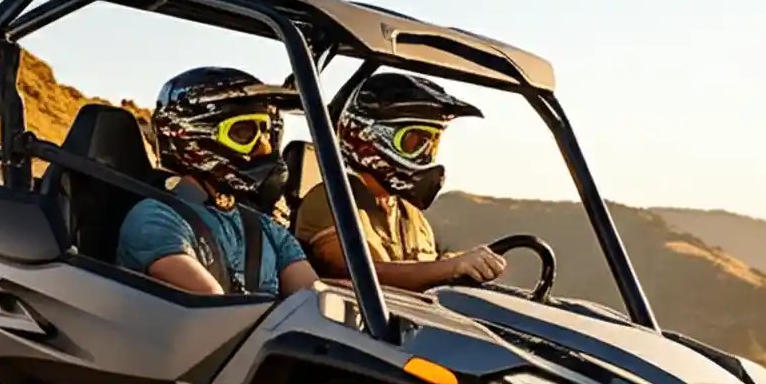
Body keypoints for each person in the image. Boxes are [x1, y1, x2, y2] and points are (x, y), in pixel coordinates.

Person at [294, 72, 508, 292]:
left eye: (432, 144)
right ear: (367, 136)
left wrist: (455, 264)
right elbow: (353, 273)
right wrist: (448, 267)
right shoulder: (330, 200)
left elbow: (425, 277)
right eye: (415, 142)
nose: (426, 157)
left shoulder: (412, 216)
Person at [117, 67, 319, 297]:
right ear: (194, 137)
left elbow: (313, 302)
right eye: (244, 133)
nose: (264, 147)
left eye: (268, 133)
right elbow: (212, 307)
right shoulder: (154, 219)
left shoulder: (268, 229)